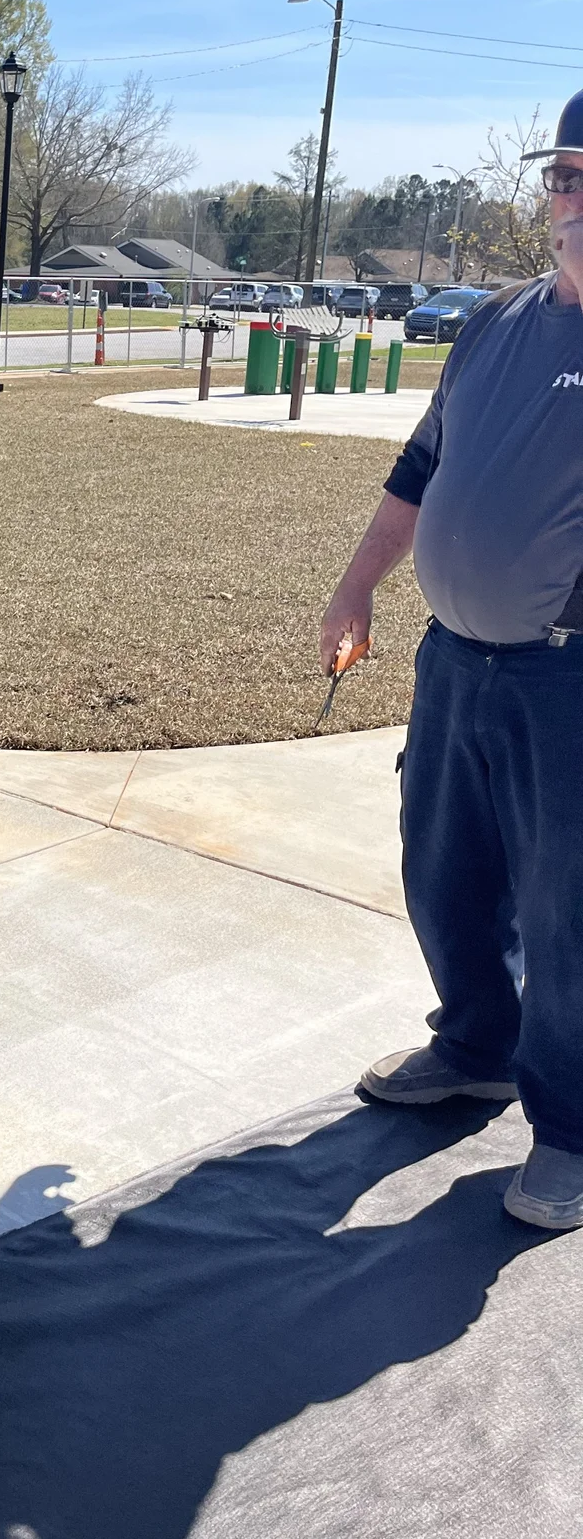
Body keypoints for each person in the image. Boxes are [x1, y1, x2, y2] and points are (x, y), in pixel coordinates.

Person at [322, 87, 583, 1228]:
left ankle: (571, 1127)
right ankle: (476, 1043)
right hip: (455, 661)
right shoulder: (494, 322)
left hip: (566, 677)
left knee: (567, 908)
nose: (571, 197)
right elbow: (421, 473)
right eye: (564, 176)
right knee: (444, 872)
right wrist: (356, 581)